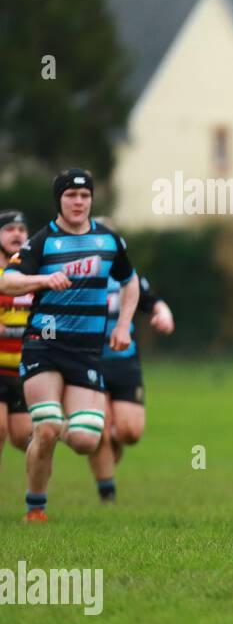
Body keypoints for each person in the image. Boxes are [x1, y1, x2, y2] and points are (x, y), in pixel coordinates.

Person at [0, 169, 139, 522]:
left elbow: (130, 281)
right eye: (70, 196)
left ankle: (58, 423)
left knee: (84, 439)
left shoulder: (109, 241)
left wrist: (123, 324)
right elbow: (8, 282)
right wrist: (43, 279)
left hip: (86, 351)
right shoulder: (42, 242)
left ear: (91, 199)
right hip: (43, 343)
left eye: (84, 196)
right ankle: (36, 508)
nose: (78, 202)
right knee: (46, 428)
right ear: (59, 200)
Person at [86, 250, 175, 502]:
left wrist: (164, 314)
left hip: (125, 364)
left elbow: (153, 301)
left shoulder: (127, 277)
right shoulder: (78, 277)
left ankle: (113, 436)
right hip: (89, 362)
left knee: (130, 433)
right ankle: (107, 492)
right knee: (97, 427)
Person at [0, 211, 34, 471]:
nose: (17, 234)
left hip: (24, 370)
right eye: (9, 228)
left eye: (22, 229)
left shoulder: (33, 276)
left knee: (25, 436)